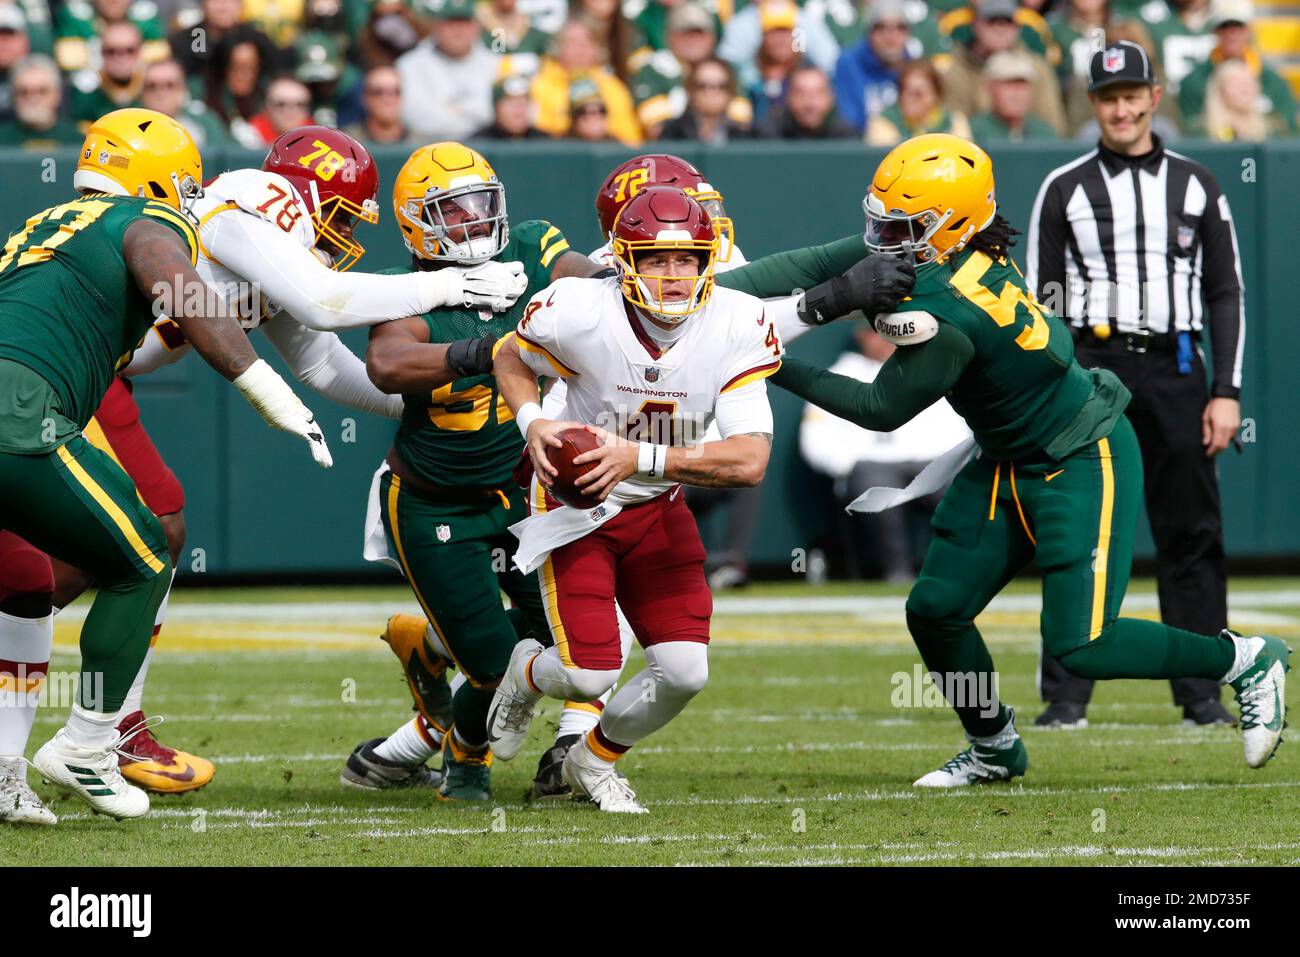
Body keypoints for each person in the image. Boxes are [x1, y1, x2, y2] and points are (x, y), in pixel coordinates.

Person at [772, 132, 1289, 786]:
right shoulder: (951, 255)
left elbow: (880, 407)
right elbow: (806, 264)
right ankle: (994, 745)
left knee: (1085, 642)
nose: (882, 237)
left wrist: (772, 361)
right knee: (935, 608)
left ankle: (1244, 658)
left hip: (1078, 455)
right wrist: (705, 293)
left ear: (948, 226)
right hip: (1006, 459)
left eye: (902, 225)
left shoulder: (950, 311)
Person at [0, 109, 331, 823]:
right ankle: (88, 743)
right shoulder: (143, 222)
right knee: (146, 553)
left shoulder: (42, 229)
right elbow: (181, 291)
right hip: (17, 413)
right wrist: (264, 386)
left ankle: (2, 772)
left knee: (24, 582)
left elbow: (142, 339)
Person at [485, 186, 781, 813]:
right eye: (655, 259)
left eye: (687, 260)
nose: (674, 276)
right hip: (578, 507)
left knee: (684, 672)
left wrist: (639, 456)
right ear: (624, 260)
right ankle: (527, 673)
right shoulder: (577, 308)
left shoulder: (738, 321)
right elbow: (511, 355)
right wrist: (533, 420)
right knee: (589, 674)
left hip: (658, 502)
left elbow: (750, 461)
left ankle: (594, 759)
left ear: (709, 260)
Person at [347, 141, 607, 800]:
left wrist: (618, 272)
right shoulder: (405, 291)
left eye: (479, 204)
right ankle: (465, 756)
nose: (473, 222)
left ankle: (432, 650)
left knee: (555, 638)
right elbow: (388, 364)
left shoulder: (524, 246)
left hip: (518, 492)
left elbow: (580, 273)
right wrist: (485, 349)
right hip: (434, 505)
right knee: (494, 666)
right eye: (452, 211)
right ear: (416, 222)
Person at [1027, 41, 1250, 728]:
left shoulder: (1198, 184)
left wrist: (1227, 390)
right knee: (1077, 529)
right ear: (1092, 104)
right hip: (1094, 372)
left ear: (1154, 97)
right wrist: (1057, 389)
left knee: (1191, 531)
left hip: (1180, 368)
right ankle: (1066, 695)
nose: (1121, 109)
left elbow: (1225, 291)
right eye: (1107, 97)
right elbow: (1046, 300)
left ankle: (1200, 691)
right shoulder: (1063, 187)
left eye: (1132, 95)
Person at [799, 320, 970, 583]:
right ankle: (897, 573)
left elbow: (959, 430)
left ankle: (953, 573)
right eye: (876, 332)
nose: (884, 339)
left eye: (891, 330)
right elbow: (816, 440)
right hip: (870, 465)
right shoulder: (837, 375)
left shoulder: (930, 370)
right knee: (876, 485)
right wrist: (847, 465)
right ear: (861, 336)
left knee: (958, 491)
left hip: (930, 462)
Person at [934, 0, 1066, 136]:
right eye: (991, 20)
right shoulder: (954, 69)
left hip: (1029, 145)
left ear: (1017, 27)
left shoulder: (1037, 67)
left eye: (1007, 21)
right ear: (976, 24)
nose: (999, 27)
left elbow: (1053, 124)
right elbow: (953, 121)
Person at [1177, 0, 1297, 136]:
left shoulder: (1273, 82)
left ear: (1249, 30)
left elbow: (1287, 130)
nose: (1232, 33)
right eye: (1225, 26)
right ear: (1215, 31)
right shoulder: (1194, 83)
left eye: (1238, 26)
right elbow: (1190, 131)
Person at [395, 0, 499, 142]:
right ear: (436, 27)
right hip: (428, 146)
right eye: (450, 23)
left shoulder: (494, 63)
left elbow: (494, 114)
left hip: (484, 145)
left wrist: (451, 110)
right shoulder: (409, 65)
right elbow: (416, 117)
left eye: (464, 23)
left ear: (476, 27)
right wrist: (471, 114)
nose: (458, 31)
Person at [529, 17, 641, 144]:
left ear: (597, 48)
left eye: (588, 42)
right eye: (573, 42)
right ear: (558, 47)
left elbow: (630, 138)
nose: (581, 48)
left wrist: (601, 131)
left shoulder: (613, 87)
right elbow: (537, 134)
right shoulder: (540, 86)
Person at [833, 0, 913, 135]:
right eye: (881, 27)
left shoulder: (914, 67)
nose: (891, 36)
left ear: (908, 33)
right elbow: (850, 121)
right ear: (869, 32)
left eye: (899, 27)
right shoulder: (850, 63)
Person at [866, 58, 972, 146]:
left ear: (936, 95)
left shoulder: (954, 121)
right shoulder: (885, 120)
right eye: (904, 90)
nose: (909, 98)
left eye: (918, 93)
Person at [968, 49, 1059, 142]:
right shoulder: (973, 133)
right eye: (1008, 84)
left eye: (1022, 85)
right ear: (989, 88)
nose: (1016, 94)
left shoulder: (1044, 134)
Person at [138, 57, 229, 148]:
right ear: (142, 92)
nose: (160, 92)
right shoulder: (131, 128)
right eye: (152, 86)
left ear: (182, 89)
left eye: (169, 85)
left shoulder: (205, 124)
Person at [657, 55, 750, 143]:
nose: (711, 92)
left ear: (731, 92)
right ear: (690, 90)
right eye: (702, 86)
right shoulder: (673, 132)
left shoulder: (742, 135)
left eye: (721, 86)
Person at [69, 20, 145, 124]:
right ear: (101, 53)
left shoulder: (153, 86)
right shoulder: (85, 94)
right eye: (111, 51)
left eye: (129, 50)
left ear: (139, 52)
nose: (120, 58)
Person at [756, 63, 857, 139]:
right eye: (801, 94)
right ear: (789, 98)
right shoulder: (769, 135)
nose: (810, 104)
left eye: (818, 94)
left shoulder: (845, 137)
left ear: (830, 98)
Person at [0, 54, 83, 146]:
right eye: (24, 92)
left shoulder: (77, 141)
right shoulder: (2, 140)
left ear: (57, 95)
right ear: (14, 96)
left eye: (42, 91)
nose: (32, 98)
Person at [343, 64, 412, 144]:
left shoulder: (421, 143)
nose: (388, 100)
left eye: (395, 92)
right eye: (378, 92)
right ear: (364, 98)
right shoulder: (348, 142)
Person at [473, 71, 548, 138]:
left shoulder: (544, 142)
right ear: (497, 108)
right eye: (512, 104)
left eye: (523, 104)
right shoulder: (479, 143)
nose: (518, 111)